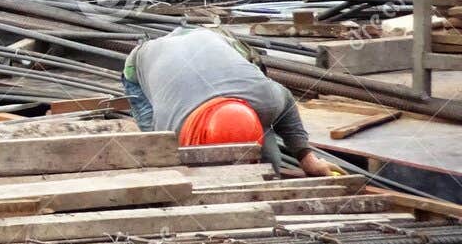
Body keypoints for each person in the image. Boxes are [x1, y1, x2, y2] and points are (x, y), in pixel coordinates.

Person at [123, 27, 333, 175]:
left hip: (209, 38)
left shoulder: (265, 99)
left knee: (270, 162)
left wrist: (307, 158)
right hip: (140, 62)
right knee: (163, 156)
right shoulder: (169, 129)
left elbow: (287, 106)